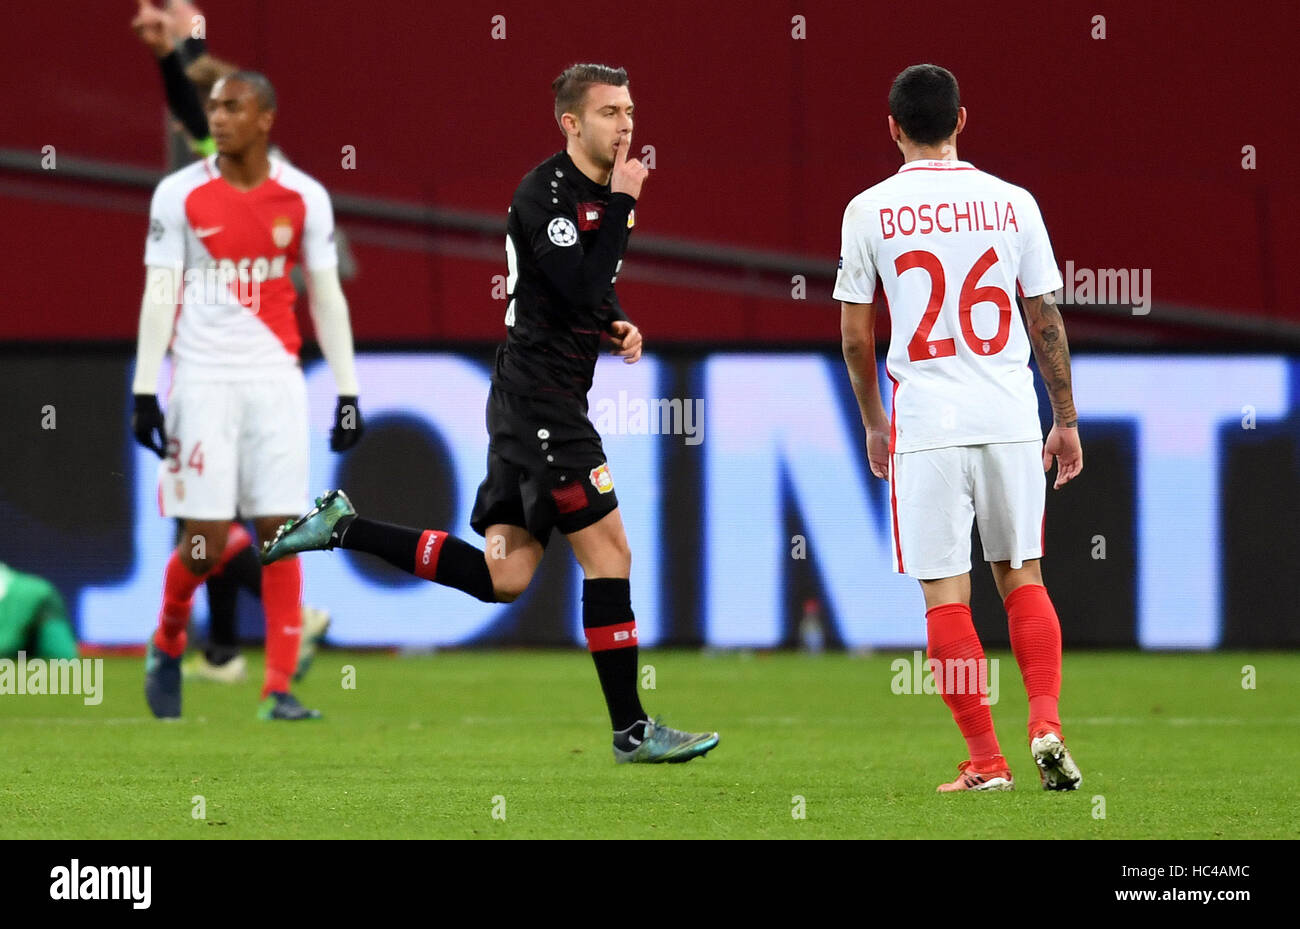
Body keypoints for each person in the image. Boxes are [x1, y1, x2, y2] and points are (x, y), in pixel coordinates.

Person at [263, 64, 719, 763]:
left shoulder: (596, 191)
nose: (625, 125)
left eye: (630, 110)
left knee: (504, 578)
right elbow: (573, 284)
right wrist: (625, 210)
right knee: (611, 554)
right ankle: (632, 730)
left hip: (531, 401)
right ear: (571, 123)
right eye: (609, 113)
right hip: (542, 405)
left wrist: (616, 321)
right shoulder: (547, 193)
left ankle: (344, 526)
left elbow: (578, 290)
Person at [834, 64, 1083, 791]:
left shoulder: (869, 209)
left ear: (893, 127)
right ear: (962, 120)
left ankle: (987, 760)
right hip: (1009, 413)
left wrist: (876, 423)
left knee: (947, 595)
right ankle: (1046, 723)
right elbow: (1046, 321)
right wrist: (1063, 418)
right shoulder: (1013, 203)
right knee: (1022, 575)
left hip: (930, 424)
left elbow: (856, 338)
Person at [131, 70, 363, 720]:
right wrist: (146, 386)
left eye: (234, 106)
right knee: (204, 540)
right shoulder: (178, 194)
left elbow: (326, 294)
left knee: (282, 530)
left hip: (276, 379)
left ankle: (278, 688)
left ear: (266, 119)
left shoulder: (305, 196)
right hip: (201, 379)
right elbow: (160, 291)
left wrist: (348, 389)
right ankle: (170, 637)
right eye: (213, 107)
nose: (220, 117)